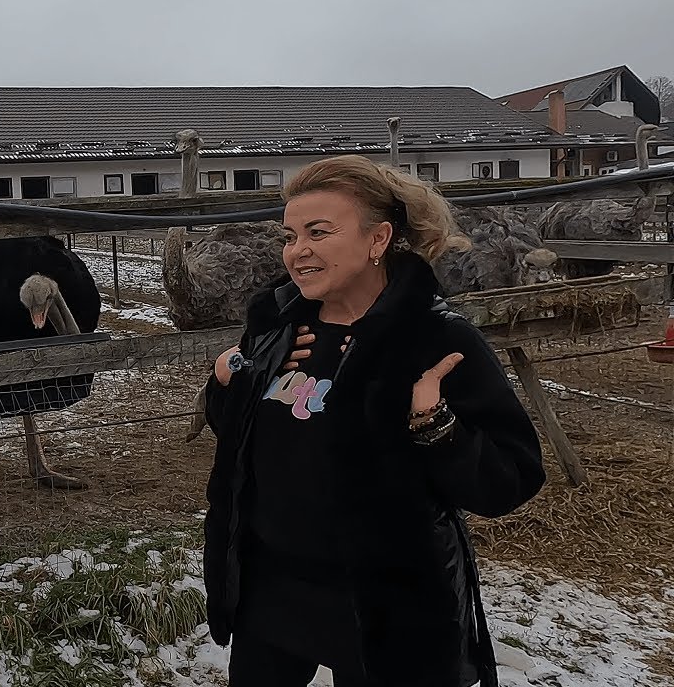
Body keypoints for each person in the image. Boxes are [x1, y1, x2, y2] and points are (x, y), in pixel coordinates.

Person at [199, 154, 546, 686]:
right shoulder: (277, 327)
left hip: (385, 602)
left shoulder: (434, 341)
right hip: (270, 589)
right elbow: (249, 441)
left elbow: (510, 480)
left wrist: (434, 424)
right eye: (290, 236)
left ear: (378, 239)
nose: (298, 252)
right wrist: (229, 384)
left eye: (319, 232)